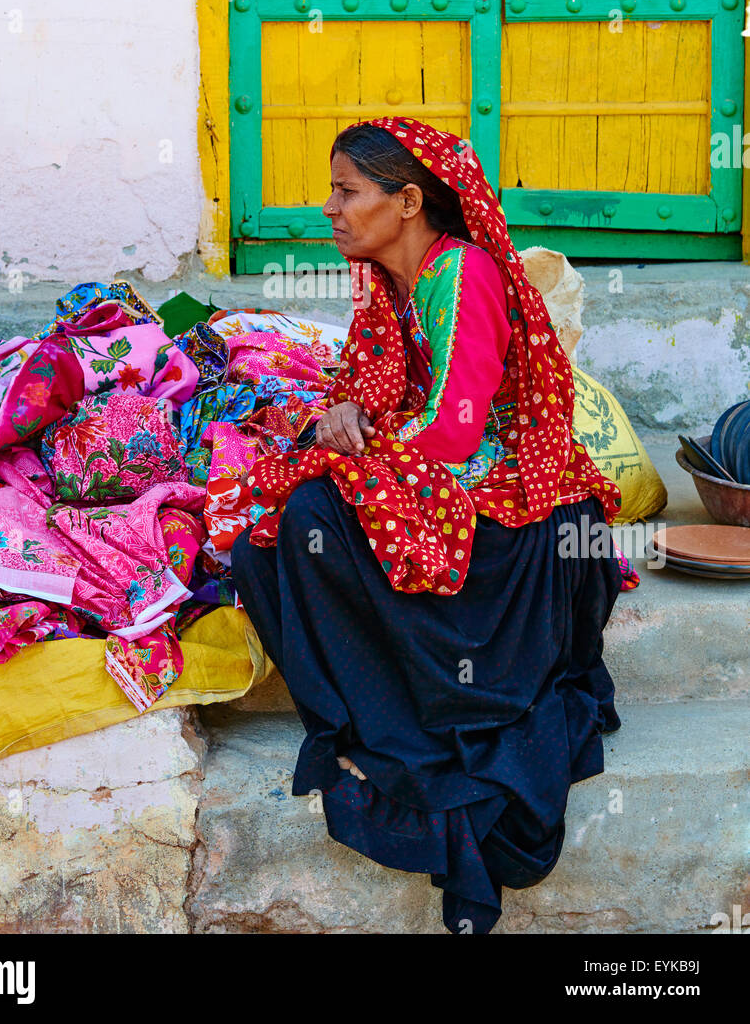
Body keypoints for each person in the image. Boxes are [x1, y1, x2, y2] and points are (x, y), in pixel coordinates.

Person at [230, 116, 635, 934]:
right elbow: (385, 402)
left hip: (512, 516)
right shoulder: (397, 288)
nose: (329, 208)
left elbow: (454, 430)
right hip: (453, 485)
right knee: (275, 526)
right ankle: (378, 711)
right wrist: (346, 421)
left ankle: (404, 716)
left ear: (408, 201)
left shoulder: (466, 275)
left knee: (309, 506)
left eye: (348, 192)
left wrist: (361, 454)